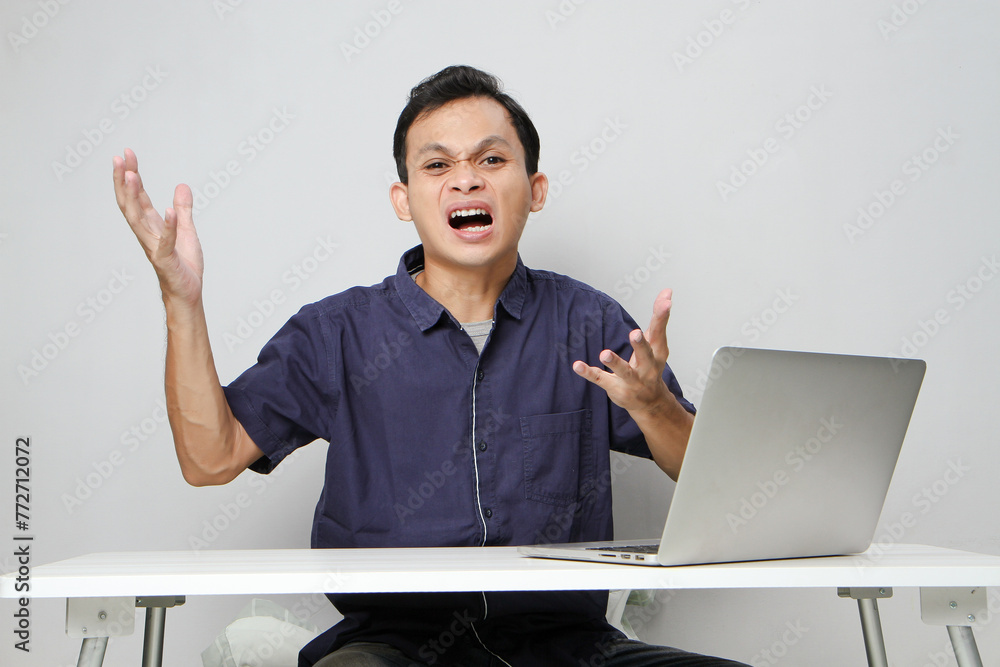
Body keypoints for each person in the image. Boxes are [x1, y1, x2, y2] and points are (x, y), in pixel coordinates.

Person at [114, 66, 748, 667]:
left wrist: (656, 407)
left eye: (492, 160)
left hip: (566, 645)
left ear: (535, 189)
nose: (466, 180)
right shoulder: (337, 332)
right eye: (438, 164)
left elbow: (710, 479)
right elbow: (208, 457)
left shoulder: (589, 323)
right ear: (403, 198)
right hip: (392, 647)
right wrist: (182, 299)